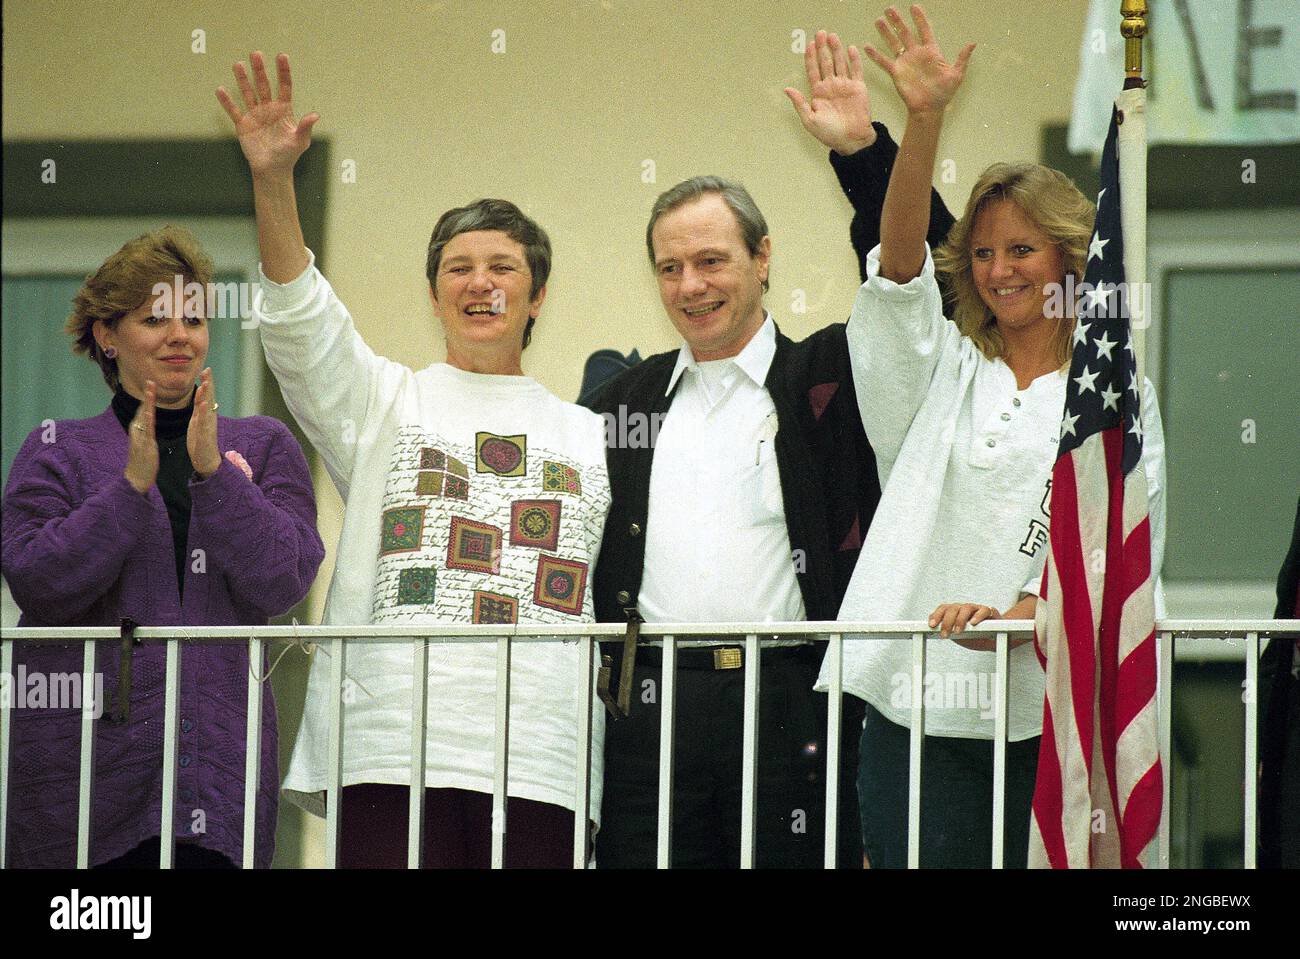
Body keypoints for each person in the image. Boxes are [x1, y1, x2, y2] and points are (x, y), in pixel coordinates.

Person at [219, 52, 611, 867]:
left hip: (542, 753)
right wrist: (273, 182)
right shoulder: (384, 401)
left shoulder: (588, 431)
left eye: (503, 267)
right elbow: (302, 322)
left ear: (537, 295)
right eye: (457, 268)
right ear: (433, 293)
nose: (480, 283)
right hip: (391, 746)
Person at [808, 5, 1167, 868]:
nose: (1000, 270)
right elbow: (898, 269)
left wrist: (1028, 614)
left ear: (1073, 258)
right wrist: (921, 122)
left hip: (1056, 713)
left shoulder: (1115, 394)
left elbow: (1124, 546)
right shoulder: (944, 375)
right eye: (981, 253)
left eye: (1024, 249)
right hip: (919, 709)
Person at [1, 225, 324, 868]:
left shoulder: (261, 445)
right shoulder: (54, 449)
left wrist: (216, 475)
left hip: (220, 776)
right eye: (155, 319)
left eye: (195, 318)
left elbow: (285, 579)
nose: (181, 335)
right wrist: (128, 490)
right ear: (106, 335)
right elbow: (36, 578)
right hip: (86, 779)